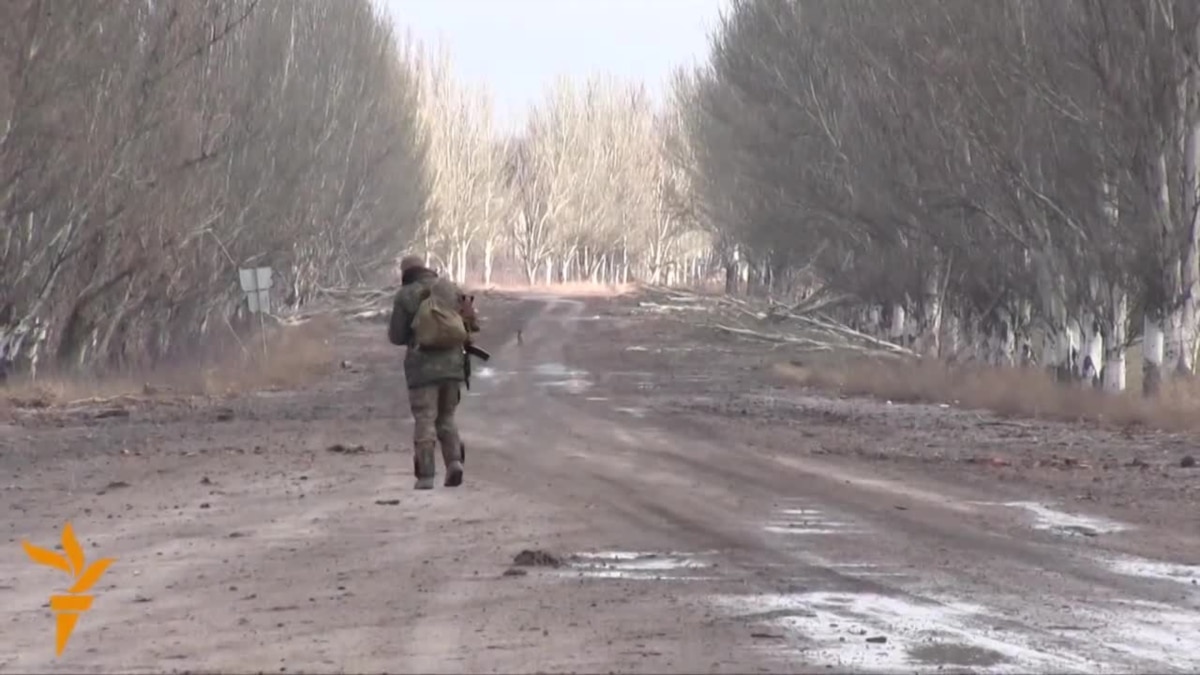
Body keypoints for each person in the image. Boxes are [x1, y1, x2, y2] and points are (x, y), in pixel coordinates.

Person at [387, 255, 468, 490]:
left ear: (406, 273)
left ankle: (426, 475)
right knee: (447, 418)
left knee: (425, 419)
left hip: (422, 369)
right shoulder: (449, 288)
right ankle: (454, 462)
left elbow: (397, 336)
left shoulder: (405, 295)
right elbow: (467, 323)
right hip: (453, 366)